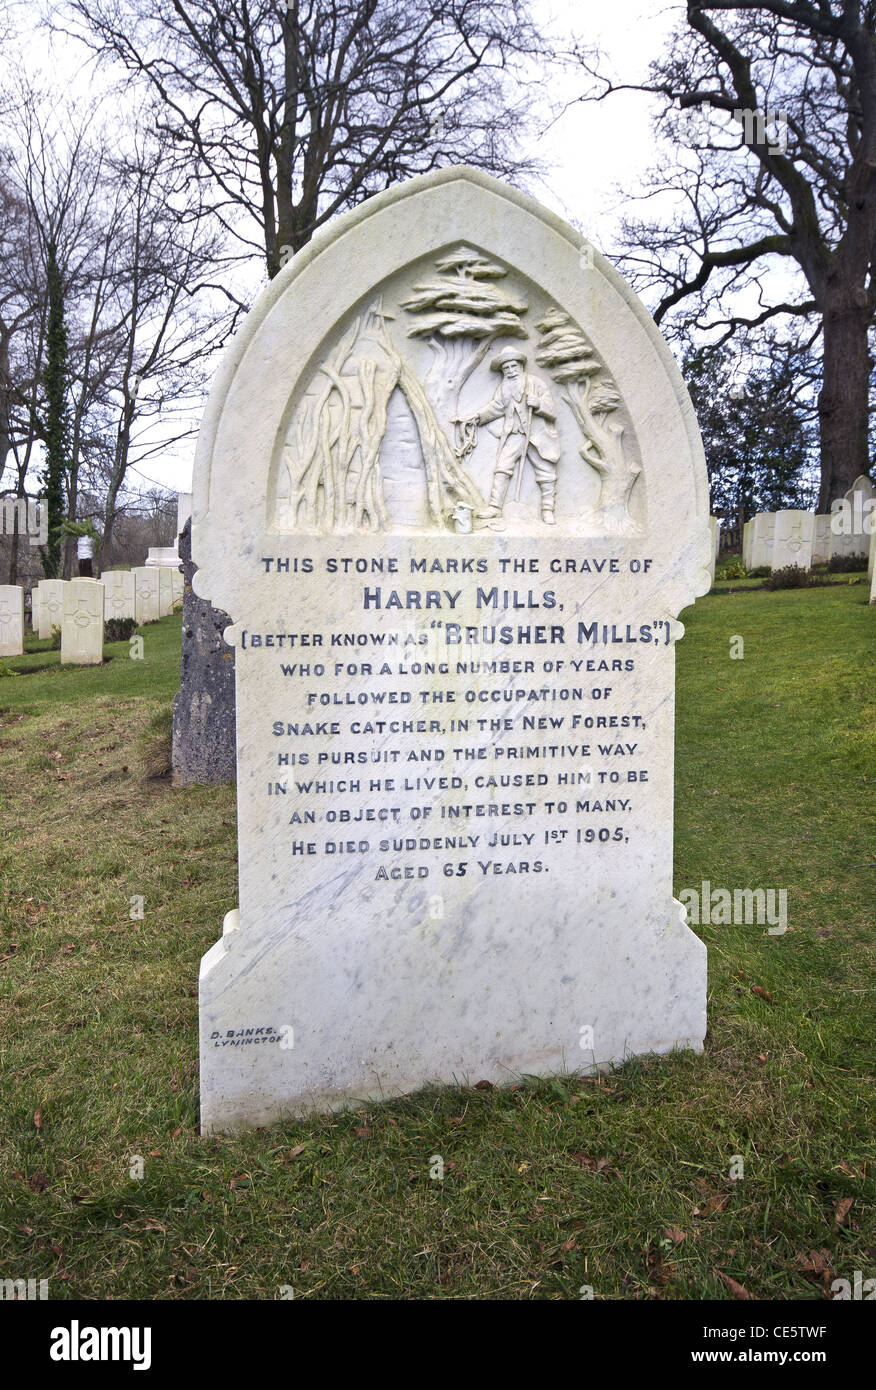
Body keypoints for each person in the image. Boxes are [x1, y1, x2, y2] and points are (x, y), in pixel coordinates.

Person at [463, 346, 560, 524]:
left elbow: (552, 409)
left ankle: (547, 510)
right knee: (502, 468)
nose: (510, 371)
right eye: (506, 368)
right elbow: (496, 407)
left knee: (545, 471)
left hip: (537, 434)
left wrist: (538, 404)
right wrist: (477, 417)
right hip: (515, 434)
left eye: (513, 366)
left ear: (521, 366)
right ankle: (494, 507)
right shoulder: (504, 387)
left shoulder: (536, 383)